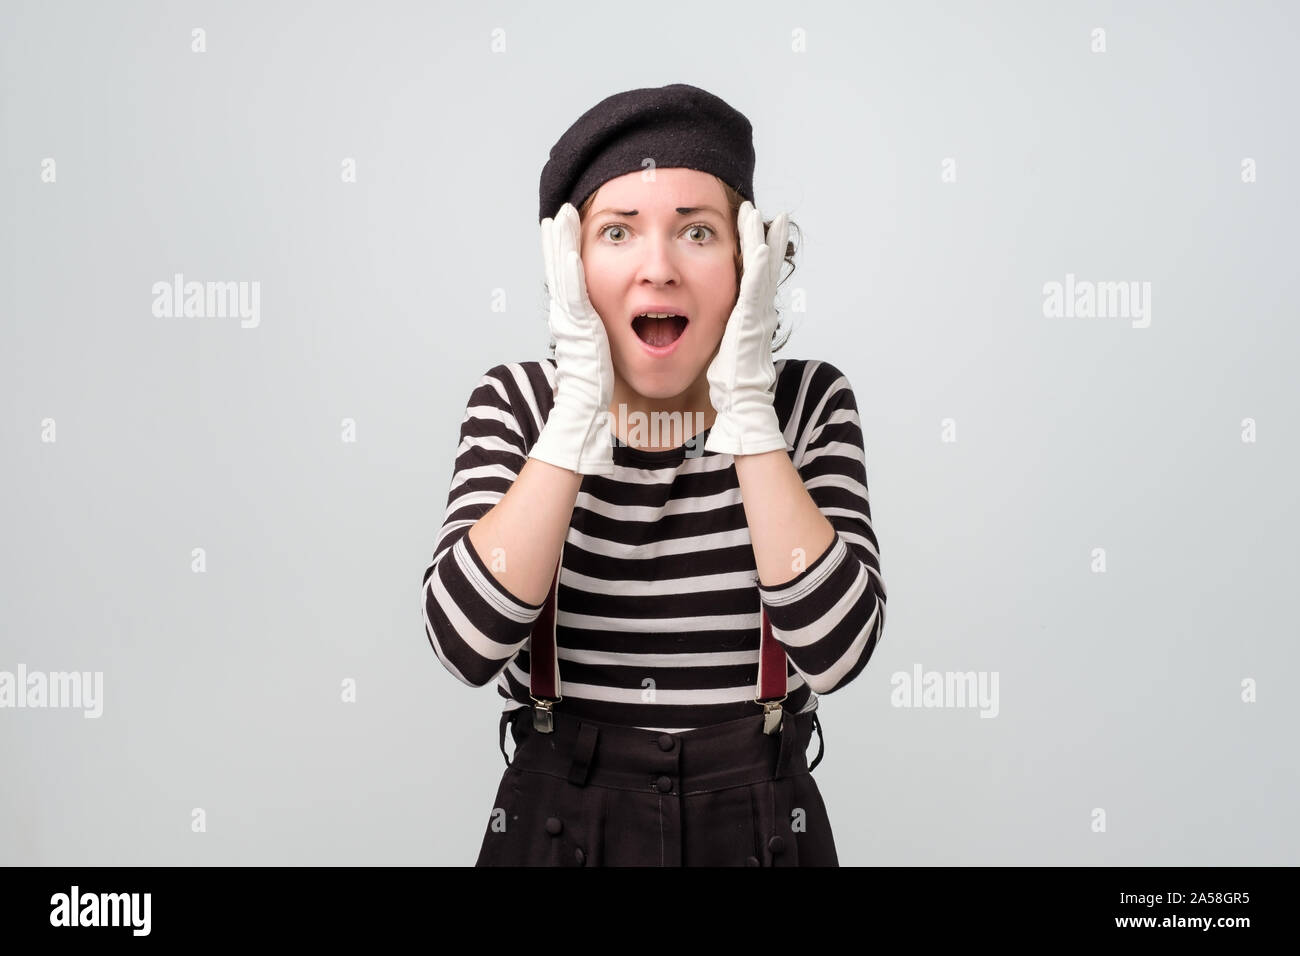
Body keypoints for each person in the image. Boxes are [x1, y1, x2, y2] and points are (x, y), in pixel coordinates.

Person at [422, 84, 888, 866]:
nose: (659, 269)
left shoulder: (808, 405)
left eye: (697, 232)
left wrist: (748, 411)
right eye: (617, 232)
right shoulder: (519, 405)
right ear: (570, 267)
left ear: (749, 261)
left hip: (762, 831)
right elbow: (466, 644)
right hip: (559, 827)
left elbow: (837, 653)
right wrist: (576, 411)